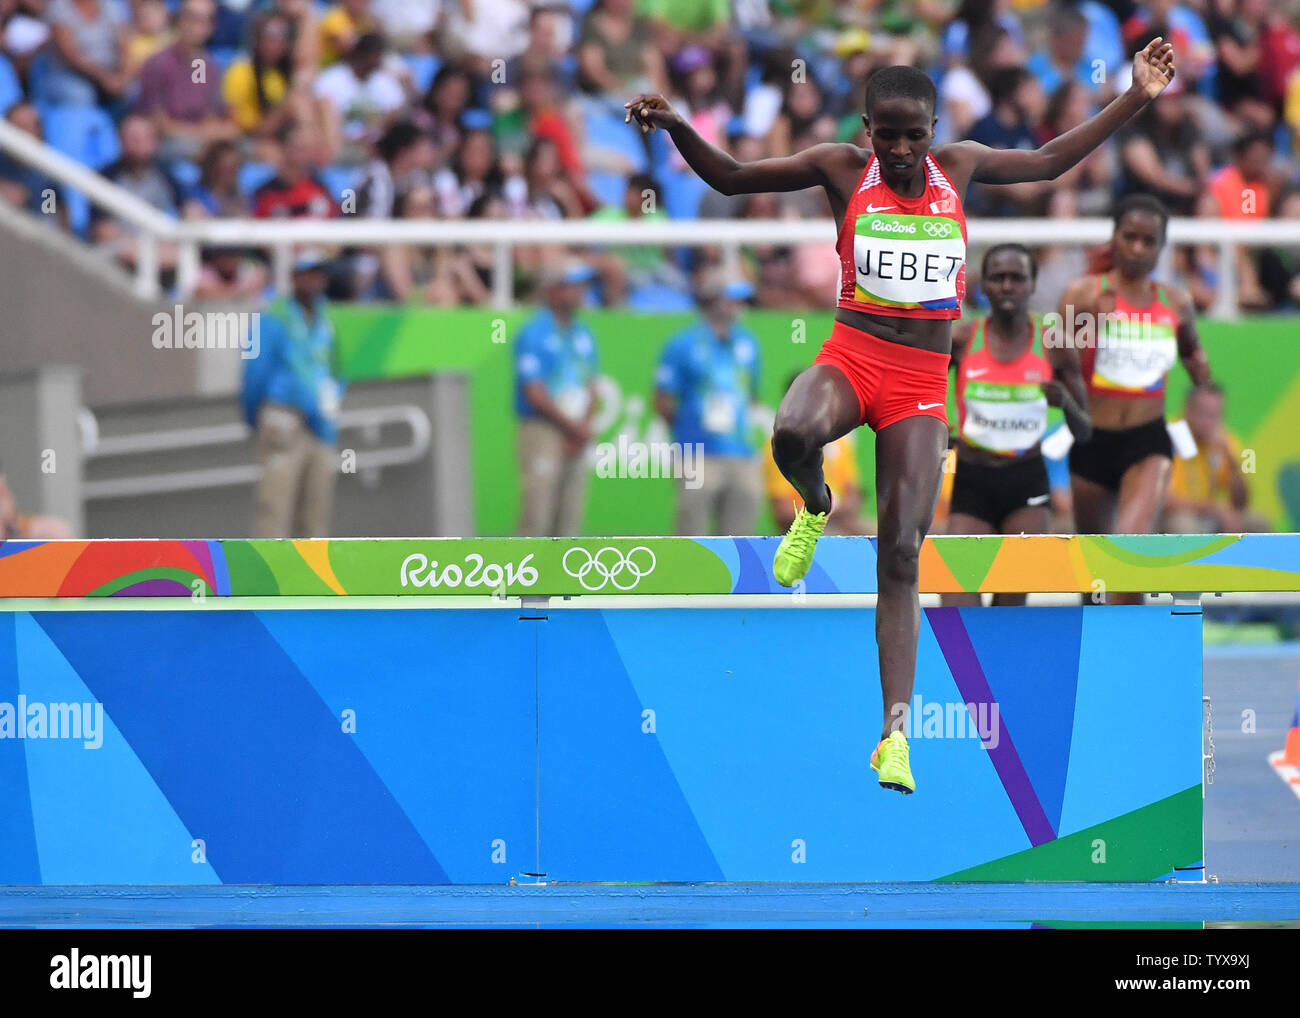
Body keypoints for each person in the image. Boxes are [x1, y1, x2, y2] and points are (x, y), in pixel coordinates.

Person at [626, 38, 1178, 795]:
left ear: (932, 129)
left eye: (914, 134)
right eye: (886, 134)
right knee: (790, 430)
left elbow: (1050, 161)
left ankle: (894, 732)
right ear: (866, 129)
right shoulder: (840, 170)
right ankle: (814, 504)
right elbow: (730, 178)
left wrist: (1136, 95)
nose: (901, 149)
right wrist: (679, 125)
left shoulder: (962, 166)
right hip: (853, 354)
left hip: (920, 380)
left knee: (900, 555)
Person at [1058, 194, 1212, 600]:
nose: (1139, 249)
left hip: (1147, 441)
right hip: (1092, 438)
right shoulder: (1085, 293)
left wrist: (1198, 364)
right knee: (1093, 572)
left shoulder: (1175, 302)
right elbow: (1054, 355)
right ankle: (1094, 654)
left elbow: (1196, 361)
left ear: (1162, 246)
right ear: (1114, 238)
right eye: (1130, 237)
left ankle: (1133, 654)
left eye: (1149, 241)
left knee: (1129, 551)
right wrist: (1089, 326)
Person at [945, 244, 1092, 606]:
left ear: (1031, 284)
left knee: (1009, 606)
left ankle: (999, 664)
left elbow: (1085, 429)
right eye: (998, 278)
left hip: (1026, 482)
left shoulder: (1053, 345)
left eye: (1017, 278)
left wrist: (1067, 404)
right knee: (955, 600)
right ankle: (961, 665)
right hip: (972, 479)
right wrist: (939, 431)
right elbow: (918, 392)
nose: (1007, 286)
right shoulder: (962, 339)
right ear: (985, 286)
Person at [241, 251, 345, 539]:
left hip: (322, 424)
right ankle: (266, 582)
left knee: (316, 516)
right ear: (294, 277)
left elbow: (338, 368)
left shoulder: (328, 319)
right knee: (274, 511)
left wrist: (332, 403)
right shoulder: (274, 317)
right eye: (309, 273)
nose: (316, 280)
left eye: (320, 274)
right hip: (284, 418)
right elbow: (255, 374)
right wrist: (256, 418)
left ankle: (308, 584)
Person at [654, 272, 763, 537]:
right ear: (712, 300)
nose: (739, 305)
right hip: (697, 451)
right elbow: (662, 399)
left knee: (742, 536)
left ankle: (741, 581)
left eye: (741, 299)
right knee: (693, 531)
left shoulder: (748, 342)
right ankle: (687, 579)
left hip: (741, 451)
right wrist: (688, 431)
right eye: (732, 298)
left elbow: (751, 396)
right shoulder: (683, 344)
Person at [514, 258, 600, 537]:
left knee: (570, 519)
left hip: (575, 431)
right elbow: (535, 394)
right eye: (572, 286)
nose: (580, 292)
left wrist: (583, 427)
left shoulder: (582, 333)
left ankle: (563, 581)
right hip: (543, 429)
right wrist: (574, 429)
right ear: (552, 290)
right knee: (537, 516)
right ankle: (525, 579)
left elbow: (592, 386)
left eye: (582, 285)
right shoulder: (534, 332)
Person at [763, 372, 875, 537]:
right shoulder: (781, 446)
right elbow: (782, 512)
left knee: (888, 536)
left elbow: (853, 493)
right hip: (805, 527)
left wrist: (844, 510)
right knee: (832, 539)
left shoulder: (840, 442)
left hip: (842, 522)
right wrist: (823, 513)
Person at [1163, 383, 1269, 534]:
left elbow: (1242, 502)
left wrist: (1231, 460)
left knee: (1259, 523)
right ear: (1186, 409)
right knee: (1183, 524)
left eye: (1214, 415)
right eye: (1202, 413)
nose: (1208, 421)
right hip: (1176, 515)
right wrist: (1215, 509)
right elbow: (1166, 502)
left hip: (1210, 514)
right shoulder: (1168, 436)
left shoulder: (1225, 441)